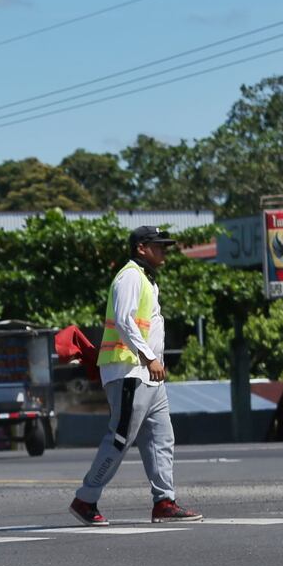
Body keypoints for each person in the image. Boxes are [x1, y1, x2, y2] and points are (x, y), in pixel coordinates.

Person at [70, 225, 203, 527]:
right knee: (120, 437)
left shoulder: (145, 279)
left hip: (147, 374)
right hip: (129, 370)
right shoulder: (130, 276)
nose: (164, 250)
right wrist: (149, 356)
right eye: (158, 246)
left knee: (161, 438)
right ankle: (85, 498)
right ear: (141, 248)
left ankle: (164, 502)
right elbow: (124, 320)